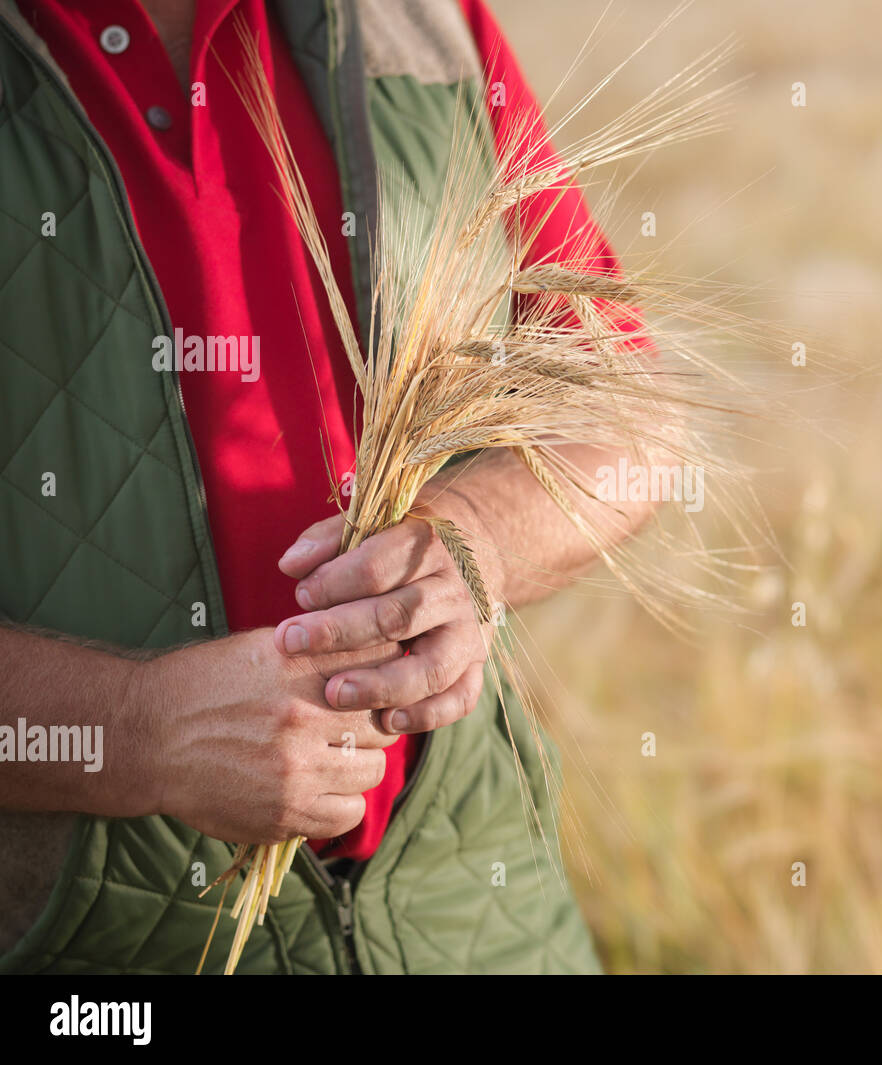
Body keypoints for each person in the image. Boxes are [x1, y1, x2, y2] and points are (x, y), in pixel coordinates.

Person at [0, 0, 650, 974]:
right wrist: (131, 731)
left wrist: (468, 541)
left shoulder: (418, 25)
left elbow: (628, 416)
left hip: (476, 921)